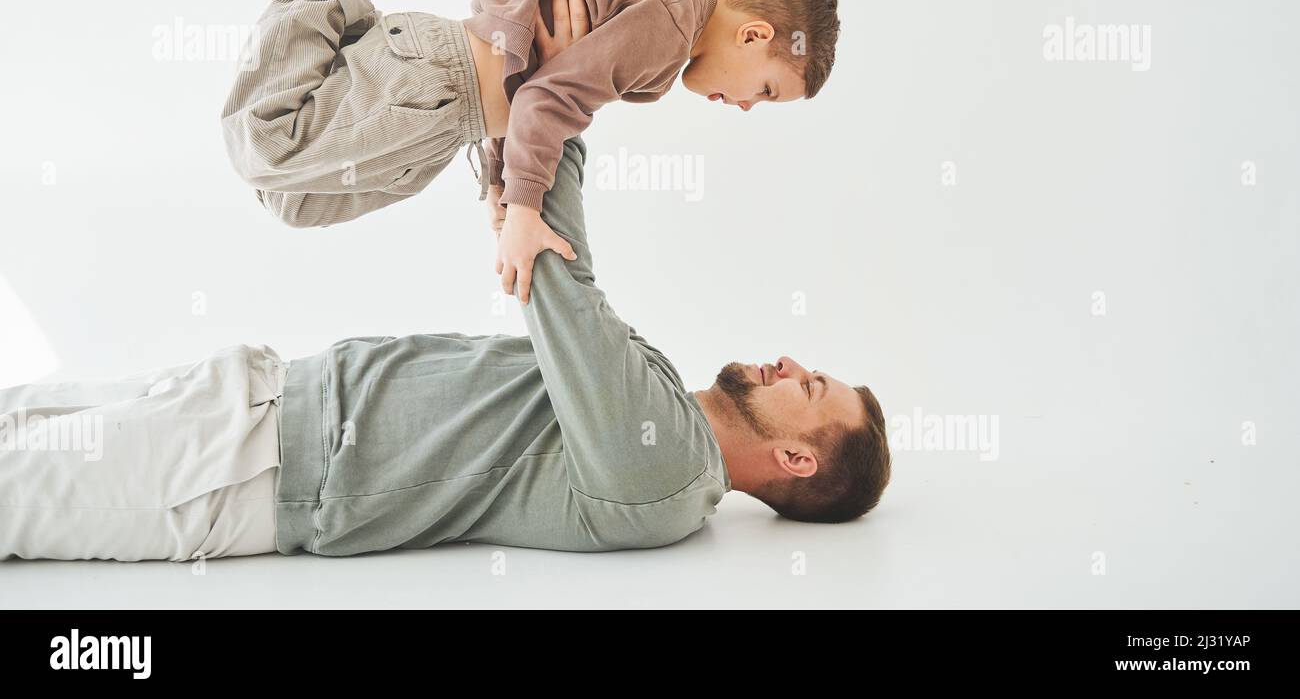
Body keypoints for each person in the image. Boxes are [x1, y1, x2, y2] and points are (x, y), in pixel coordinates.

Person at [0, 139, 889, 561]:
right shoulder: (659, 381)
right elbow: (532, 260)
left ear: (796, 457)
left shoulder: (666, 480)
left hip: (247, 469)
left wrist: (560, 118)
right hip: (269, 394)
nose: (786, 362)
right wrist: (506, 149)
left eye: (810, 385)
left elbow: (556, 282)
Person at [220, 0, 841, 301]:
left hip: (449, 121)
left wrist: (497, 176)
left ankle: (348, 36)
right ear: (755, 36)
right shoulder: (669, 28)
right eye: (765, 91)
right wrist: (522, 208)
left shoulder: (667, 36)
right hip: (435, 81)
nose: (746, 108)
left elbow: (533, 84)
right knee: (264, 149)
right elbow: (550, 98)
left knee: (296, 202)